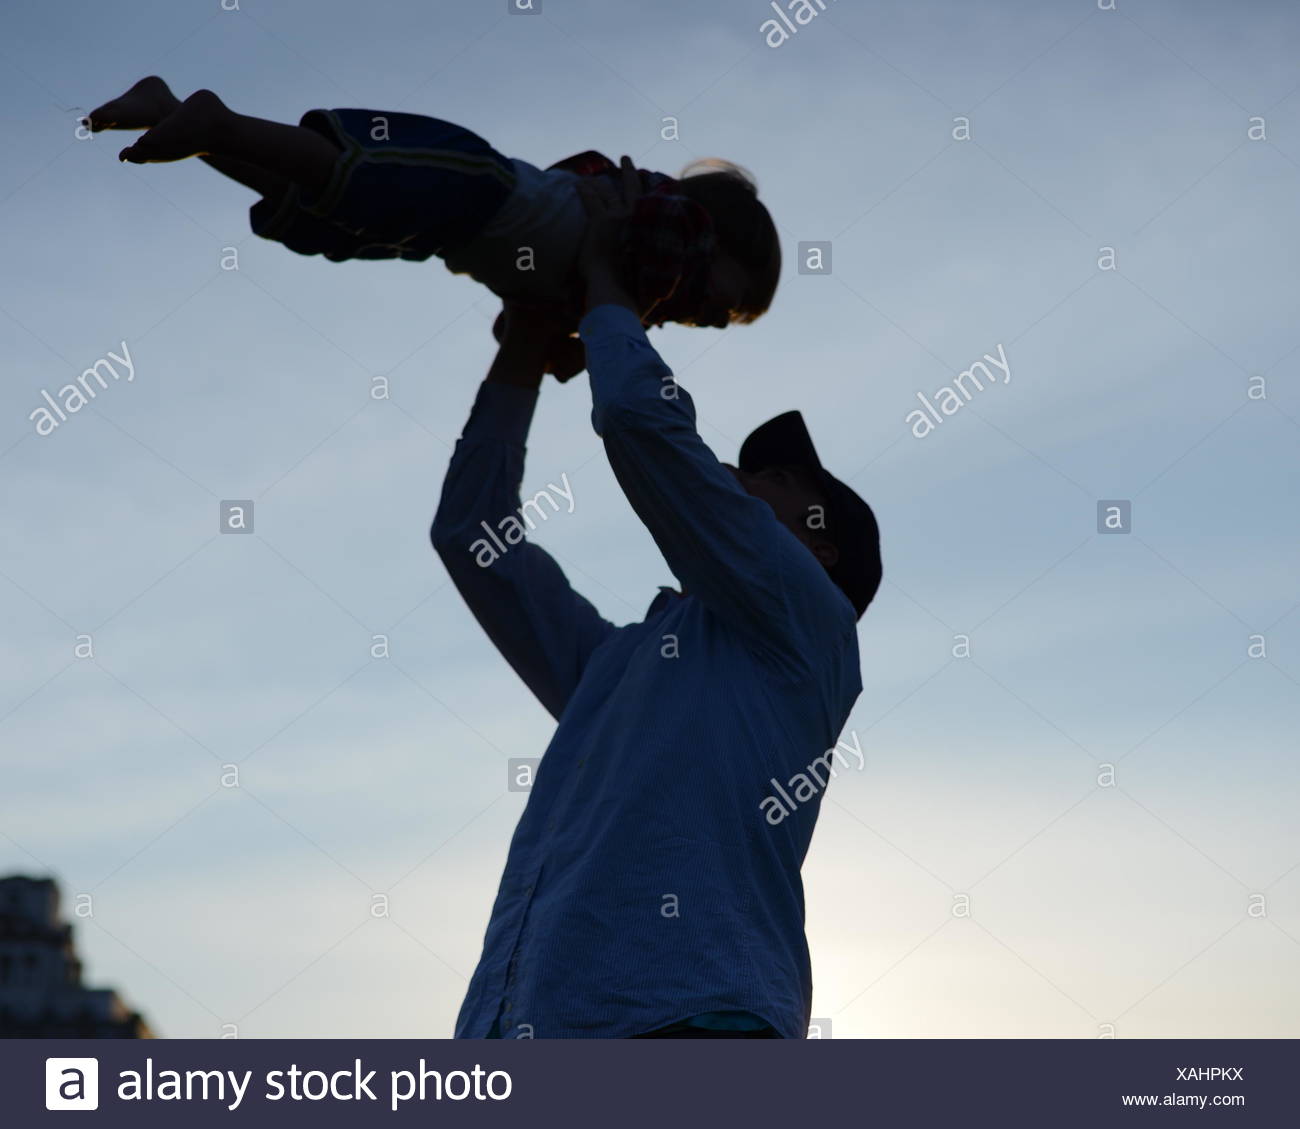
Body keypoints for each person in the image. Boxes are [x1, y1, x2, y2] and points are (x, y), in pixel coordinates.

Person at [429, 160, 882, 1038]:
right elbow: (472, 533)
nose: (744, 475)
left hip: (696, 1026)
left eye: (778, 479)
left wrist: (607, 290)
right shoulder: (621, 669)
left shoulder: (810, 622)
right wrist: (522, 348)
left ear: (817, 546)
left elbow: (643, 422)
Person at [84, 78, 780, 379]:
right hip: (482, 186)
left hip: (453, 233)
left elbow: (547, 344)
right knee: (349, 178)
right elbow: (640, 258)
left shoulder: (627, 283)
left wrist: (578, 324)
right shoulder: (674, 234)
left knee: (326, 213)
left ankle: (184, 119)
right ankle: (217, 123)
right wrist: (610, 315)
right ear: (722, 237)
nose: (719, 321)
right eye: (735, 299)